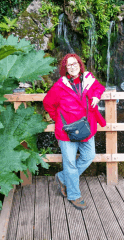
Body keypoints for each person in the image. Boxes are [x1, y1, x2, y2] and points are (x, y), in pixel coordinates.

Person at [43, 53, 106, 210]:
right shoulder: (59, 86)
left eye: (75, 63)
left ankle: (63, 177)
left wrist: (97, 96)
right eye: (69, 65)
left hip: (86, 127)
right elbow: (48, 103)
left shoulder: (88, 79)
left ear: (80, 64)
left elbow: (99, 87)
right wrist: (57, 119)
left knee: (89, 155)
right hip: (67, 131)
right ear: (65, 68)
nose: (72, 66)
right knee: (70, 163)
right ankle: (74, 195)